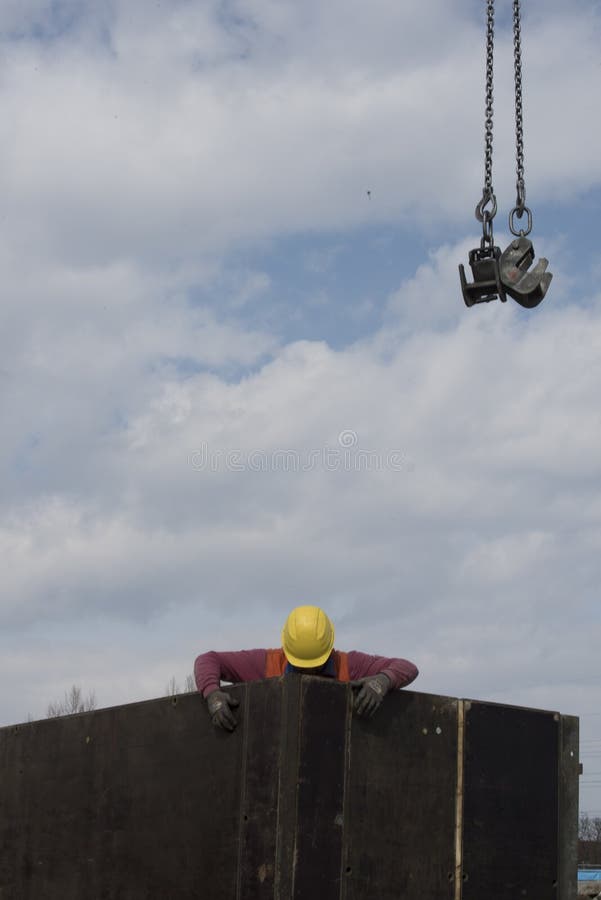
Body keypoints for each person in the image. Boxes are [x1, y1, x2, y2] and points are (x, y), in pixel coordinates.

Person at [194, 605, 418, 731]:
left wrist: (382, 681)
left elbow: (407, 667)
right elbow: (207, 660)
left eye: (315, 666)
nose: (309, 674)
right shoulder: (269, 663)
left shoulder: (349, 665)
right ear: (288, 651)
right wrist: (212, 693)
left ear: (329, 650)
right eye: (302, 667)